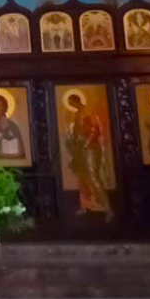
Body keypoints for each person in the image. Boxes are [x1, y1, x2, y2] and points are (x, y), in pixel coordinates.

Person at [63, 91, 114, 219]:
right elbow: (77, 132)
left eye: (71, 102)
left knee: (93, 176)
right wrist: (72, 141)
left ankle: (108, 209)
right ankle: (85, 205)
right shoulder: (77, 114)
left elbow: (95, 128)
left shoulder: (88, 111)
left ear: (75, 100)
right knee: (82, 176)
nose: (70, 104)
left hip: (91, 148)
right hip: (80, 149)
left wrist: (86, 143)